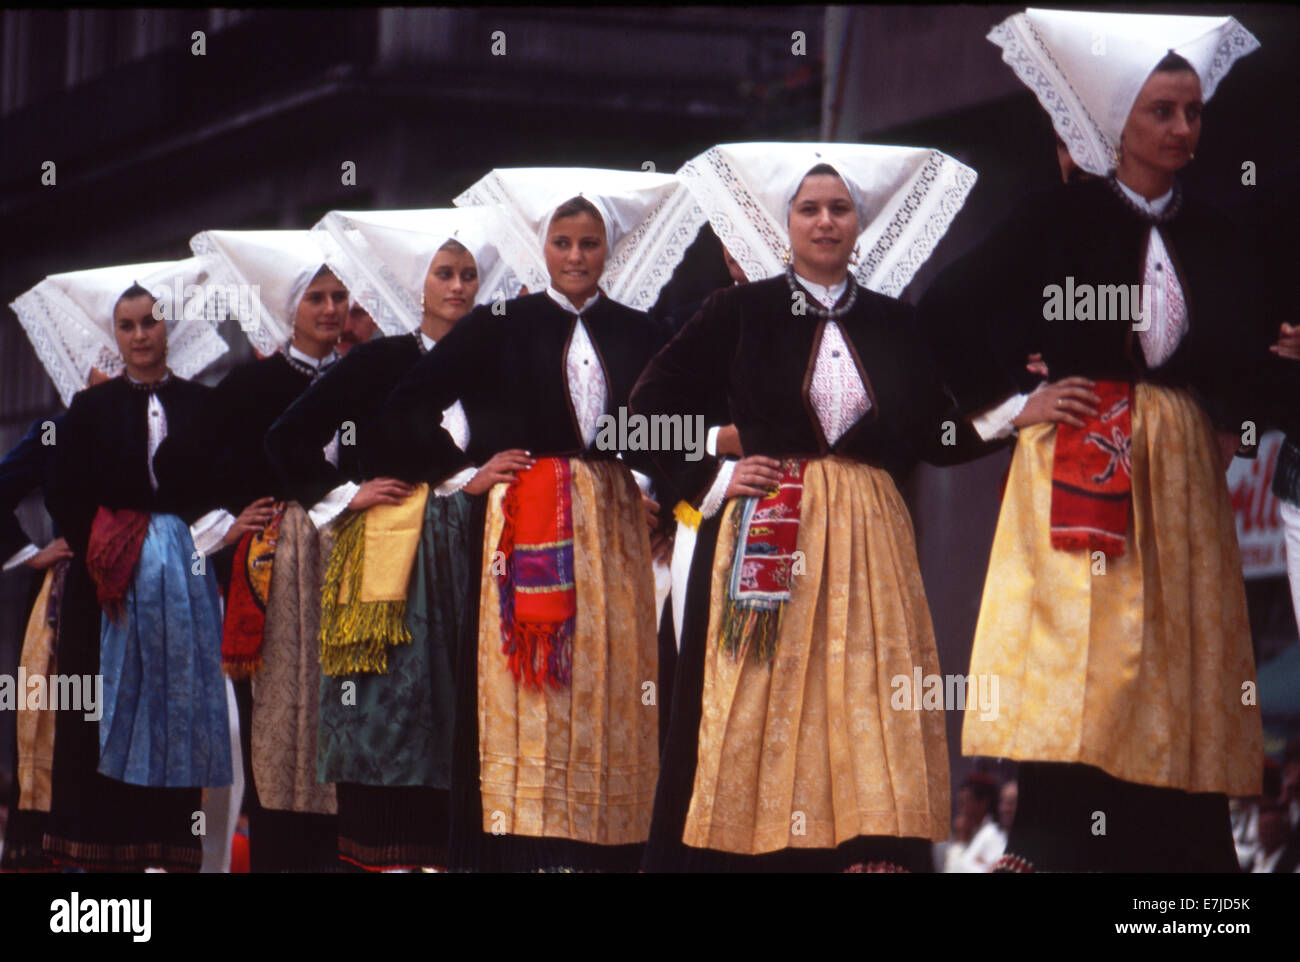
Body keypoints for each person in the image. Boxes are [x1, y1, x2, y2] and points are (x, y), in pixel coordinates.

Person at [922, 9, 1265, 872]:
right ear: (1117, 122)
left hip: (1181, 471)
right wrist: (1014, 402)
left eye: (1193, 111)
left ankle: (1184, 876)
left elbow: (1254, 345)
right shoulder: (1052, 218)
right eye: (1162, 111)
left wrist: (1229, 416)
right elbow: (944, 314)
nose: (1184, 128)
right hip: (1082, 453)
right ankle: (1062, 847)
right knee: (1087, 663)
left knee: (1176, 663)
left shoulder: (1219, 233)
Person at [632, 142, 995, 871]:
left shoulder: (897, 321)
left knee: (864, 694)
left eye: (839, 209)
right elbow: (642, 413)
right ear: (785, 222)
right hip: (772, 521)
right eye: (809, 210)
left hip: (869, 533)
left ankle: (863, 852)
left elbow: (937, 434)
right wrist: (709, 480)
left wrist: (1022, 411)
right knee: (759, 695)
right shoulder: (740, 310)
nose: (825, 222)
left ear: (860, 222)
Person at [378, 167, 703, 871]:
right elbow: (404, 404)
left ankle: (605, 845)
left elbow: (679, 424)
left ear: (608, 249)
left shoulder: (642, 331)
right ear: (542, 249)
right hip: (526, 514)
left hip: (613, 521)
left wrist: (665, 490)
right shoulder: (502, 325)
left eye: (589, 243)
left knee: (610, 676)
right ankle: (520, 846)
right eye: (562, 242)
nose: (577, 256)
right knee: (527, 687)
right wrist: (465, 471)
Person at [266, 207, 507, 870]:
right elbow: (285, 436)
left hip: (478, 554)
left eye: (468, 275)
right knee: (389, 709)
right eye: (445, 274)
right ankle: (388, 858)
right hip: (393, 560)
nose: (458, 287)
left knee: (463, 707)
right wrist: (346, 494)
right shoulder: (380, 362)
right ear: (418, 285)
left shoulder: (493, 364)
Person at [29, 259, 239, 871]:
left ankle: (169, 851)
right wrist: (104, 544)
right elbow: (62, 492)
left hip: (186, 583)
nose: (141, 334)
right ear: (114, 334)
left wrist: (210, 532)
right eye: (127, 325)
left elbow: (223, 482)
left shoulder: (204, 404)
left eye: (151, 322)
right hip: (108, 588)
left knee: (176, 706)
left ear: (169, 327)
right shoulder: (88, 410)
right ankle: (100, 863)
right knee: (103, 707)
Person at [191, 228, 353, 872]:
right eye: (316, 297)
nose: (331, 309)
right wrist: (230, 524)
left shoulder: (365, 376)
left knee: (343, 706)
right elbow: (191, 470)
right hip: (274, 574)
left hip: (350, 563)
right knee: (274, 721)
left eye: (340, 296)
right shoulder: (246, 389)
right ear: (290, 309)